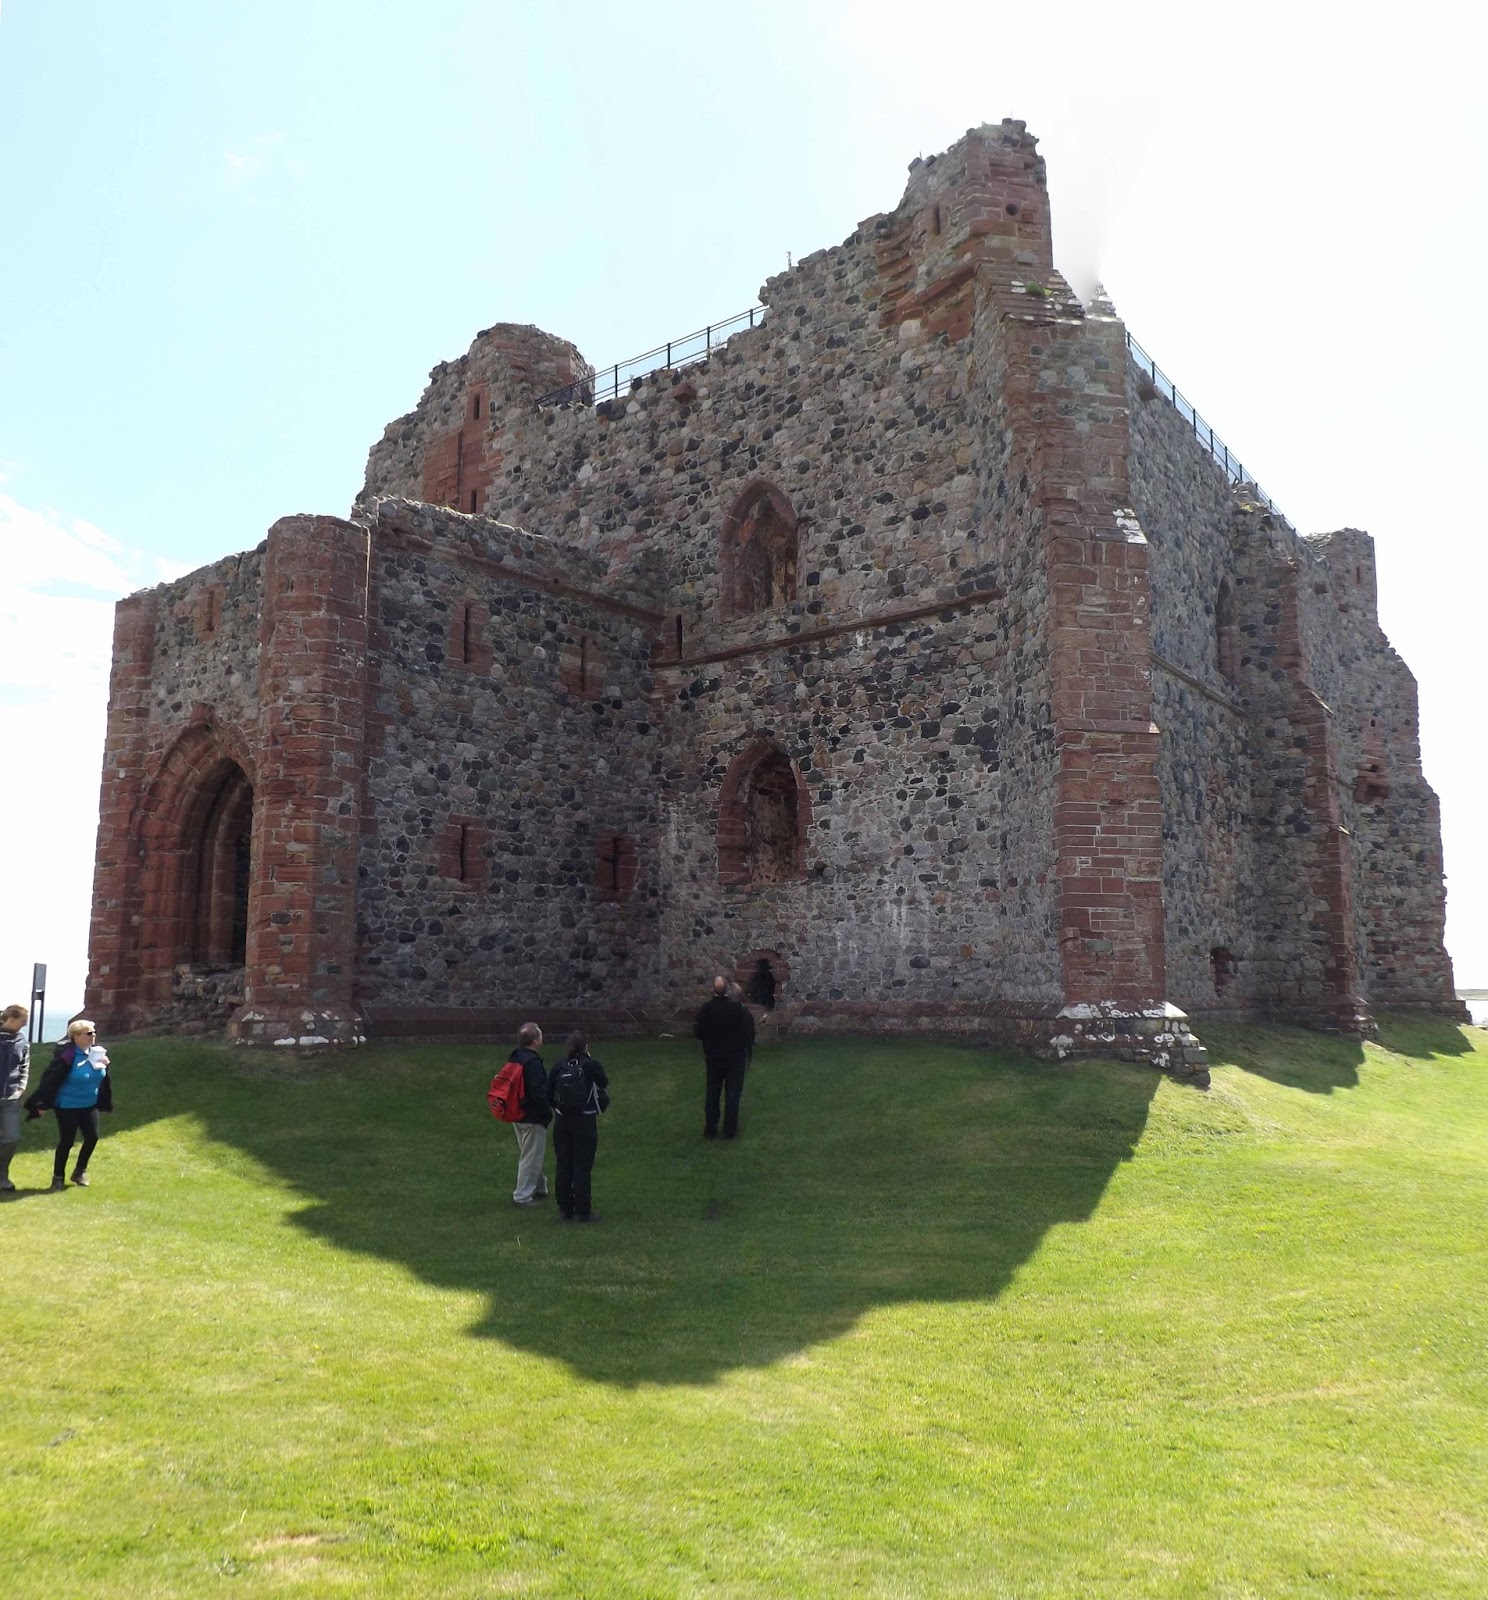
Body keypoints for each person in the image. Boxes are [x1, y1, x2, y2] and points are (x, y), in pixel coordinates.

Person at [24, 1019, 112, 1190]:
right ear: (76, 1036)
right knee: (67, 1141)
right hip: (67, 1105)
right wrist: (41, 1104)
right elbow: (50, 1080)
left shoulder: (96, 1054)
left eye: (94, 1032)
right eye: (88, 1033)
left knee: (92, 1137)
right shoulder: (67, 1057)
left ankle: (79, 1172)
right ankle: (58, 1177)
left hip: (89, 1104)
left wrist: (105, 1066)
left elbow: (98, 1077)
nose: (93, 1036)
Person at [547, 1031, 610, 1223]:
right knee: (582, 1166)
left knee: (563, 1164)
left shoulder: (559, 1066)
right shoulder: (590, 1065)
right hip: (584, 1120)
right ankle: (582, 1210)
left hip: (562, 1121)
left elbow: (549, 1093)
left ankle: (564, 1208)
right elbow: (603, 1082)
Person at [693, 975, 756, 1140]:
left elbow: (698, 1032)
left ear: (713, 990)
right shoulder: (737, 1010)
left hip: (714, 1057)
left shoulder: (706, 1009)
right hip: (735, 1058)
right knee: (733, 1094)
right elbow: (748, 1031)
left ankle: (710, 1129)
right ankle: (729, 1131)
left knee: (712, 1093)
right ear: (727, 990)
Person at [508, 1022, 551, 1207]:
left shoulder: (516, 1057)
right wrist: (547, 1112)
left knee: (531, 1153)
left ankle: (540, 1187)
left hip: (517, 1111)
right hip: (532, 1115)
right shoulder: (533, 1063)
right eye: (540, 1035)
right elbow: (538, 1092)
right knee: (531, 1155)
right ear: (535, 1040)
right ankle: (522, 1196)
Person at [0, 1004, 30, 1193]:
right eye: (23, 1020)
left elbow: (24, 1064)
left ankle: (2, 1175)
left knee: (11, 1137)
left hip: (10, 1097)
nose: (25, 1024)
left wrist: (21, 1087)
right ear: (11, 1019)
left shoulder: (21, 1040)